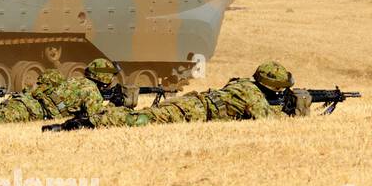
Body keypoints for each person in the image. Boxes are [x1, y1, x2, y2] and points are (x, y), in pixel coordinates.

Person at [88, 61, 293, 127]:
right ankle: (90, 123)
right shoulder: (254, 96)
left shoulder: (245, 84)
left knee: (147, 115)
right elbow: (267, 120)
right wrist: (289, 113)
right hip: (192, 111)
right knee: (142, 119)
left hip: (192, 102)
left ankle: (93, 119)